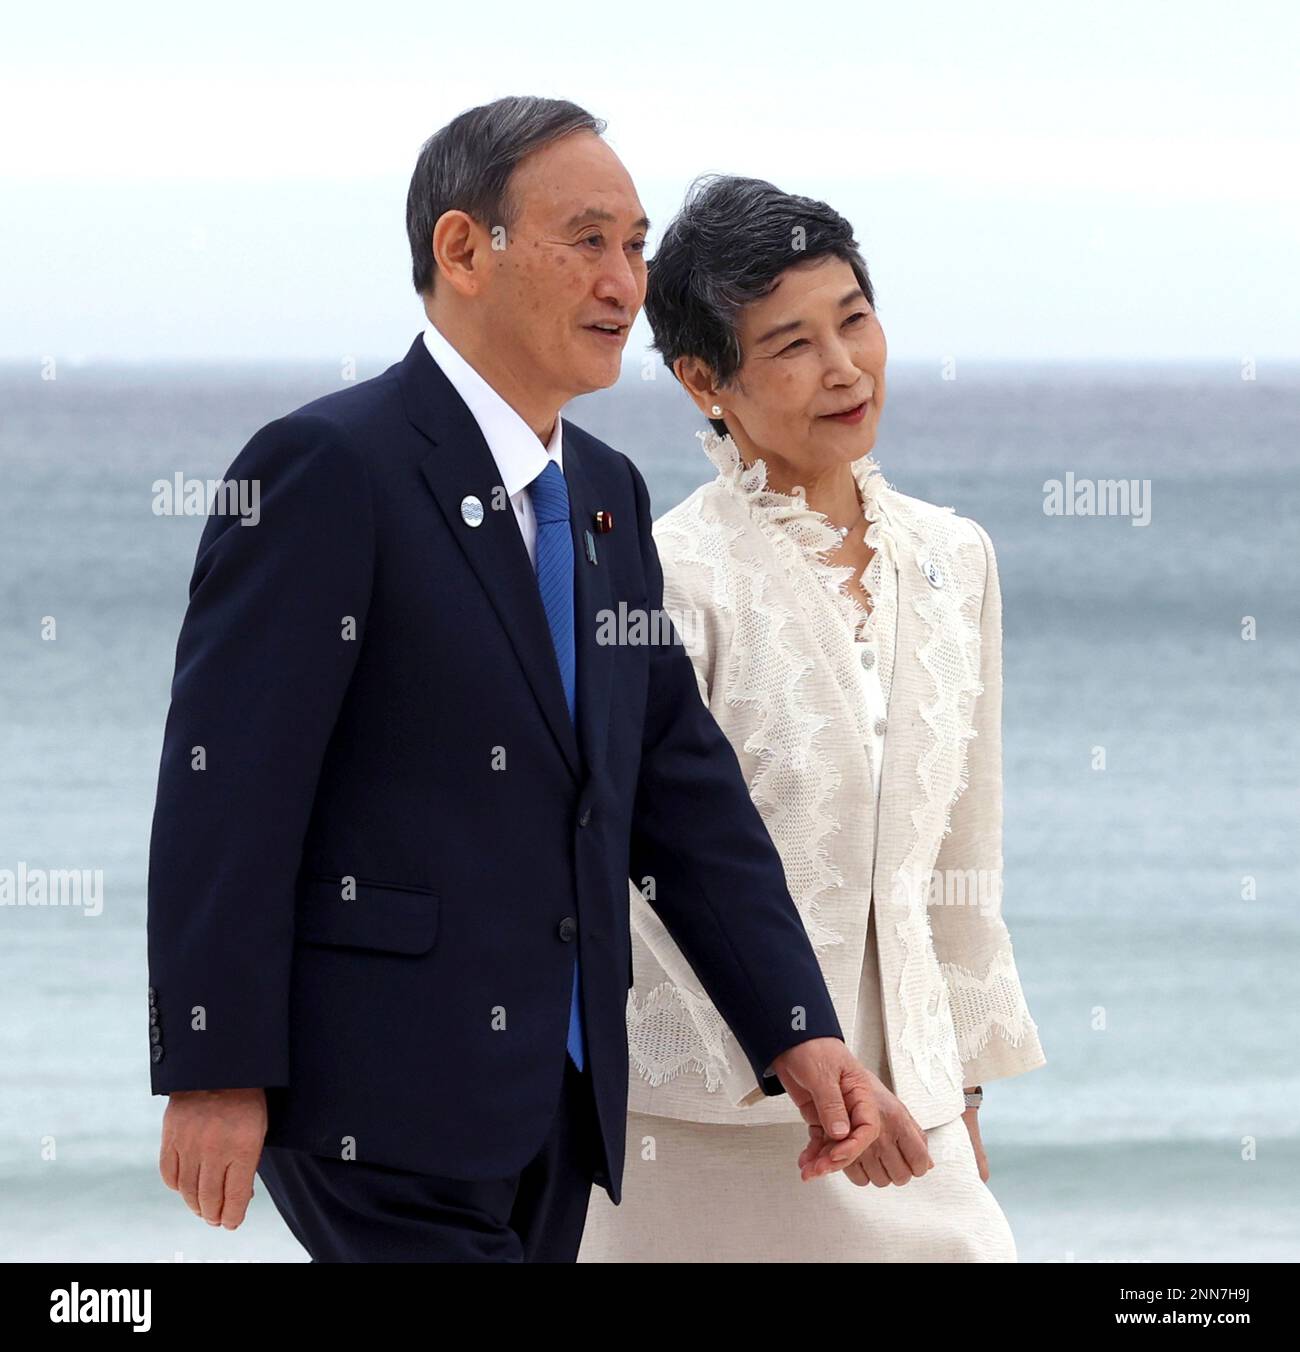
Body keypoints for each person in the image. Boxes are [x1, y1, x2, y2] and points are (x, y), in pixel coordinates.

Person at [144, 101, 890, 1264]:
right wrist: (213, 1065)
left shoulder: (604, 492)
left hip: (555, 1103)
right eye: (585, 240)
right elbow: (224, 788)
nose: (624, 281)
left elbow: (673, 778)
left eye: (636, 246)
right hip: (371, 1102)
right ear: (461, 252)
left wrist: (795, 1028)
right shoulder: (329, 467)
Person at [578, 176, 1047, 1263]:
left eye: (854, 318)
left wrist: (958, 1084)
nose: (842, 366)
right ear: (706, 381)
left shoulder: (954, 557)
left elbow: (962, 857)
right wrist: (790, 1052)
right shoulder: (663, 577)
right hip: (703, 1130)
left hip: (914, 1121)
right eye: (790, 343)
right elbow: (644, 867)